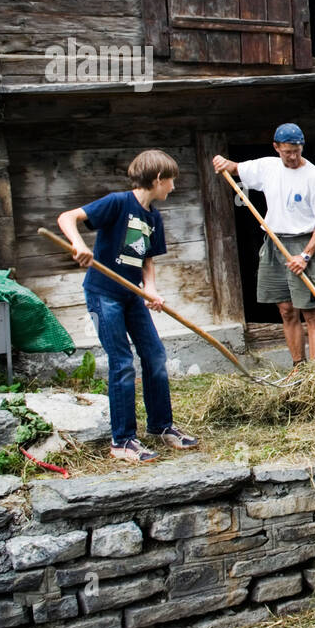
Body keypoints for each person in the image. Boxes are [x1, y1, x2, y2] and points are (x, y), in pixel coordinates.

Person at [56, 149, 199, 463]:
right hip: (103, 293)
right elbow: (67, 218)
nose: (173, 188)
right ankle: (122, 441)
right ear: (158, 179)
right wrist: (79, 245)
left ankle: (161, 426)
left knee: (155, 356)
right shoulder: (117, 203)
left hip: (131, 295)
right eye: (171, 181)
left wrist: (151, 289)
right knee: (122, 363)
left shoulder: (153, 217)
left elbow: (146, 259)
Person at [211, 123, 315, 366]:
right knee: (286, 309)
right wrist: (222, 162)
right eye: (288, 151)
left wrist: (306, 255)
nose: (293, 156)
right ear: (276, 147)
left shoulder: (314, 176)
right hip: (274, 242)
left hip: (303, 244)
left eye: (297, 150)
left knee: (310, 311)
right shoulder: (267, 167)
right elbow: (235, 168)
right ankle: (299, 367)